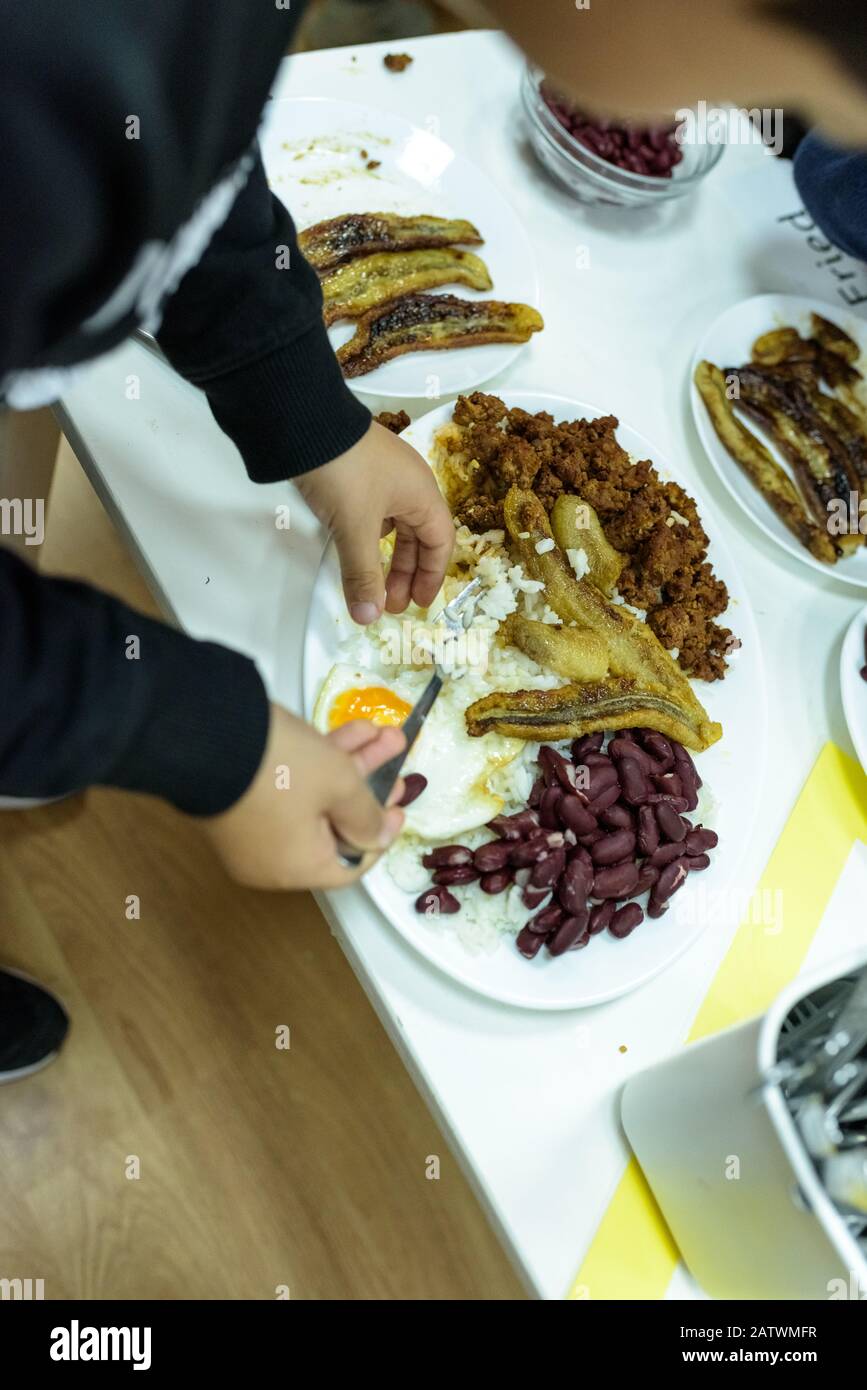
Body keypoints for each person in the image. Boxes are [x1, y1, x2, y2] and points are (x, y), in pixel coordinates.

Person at [2, 0, 866, 1082]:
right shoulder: (45, 79)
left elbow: (195, 172)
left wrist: (312, 415)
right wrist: (208, 737)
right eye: (781, 96)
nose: (726, 131)